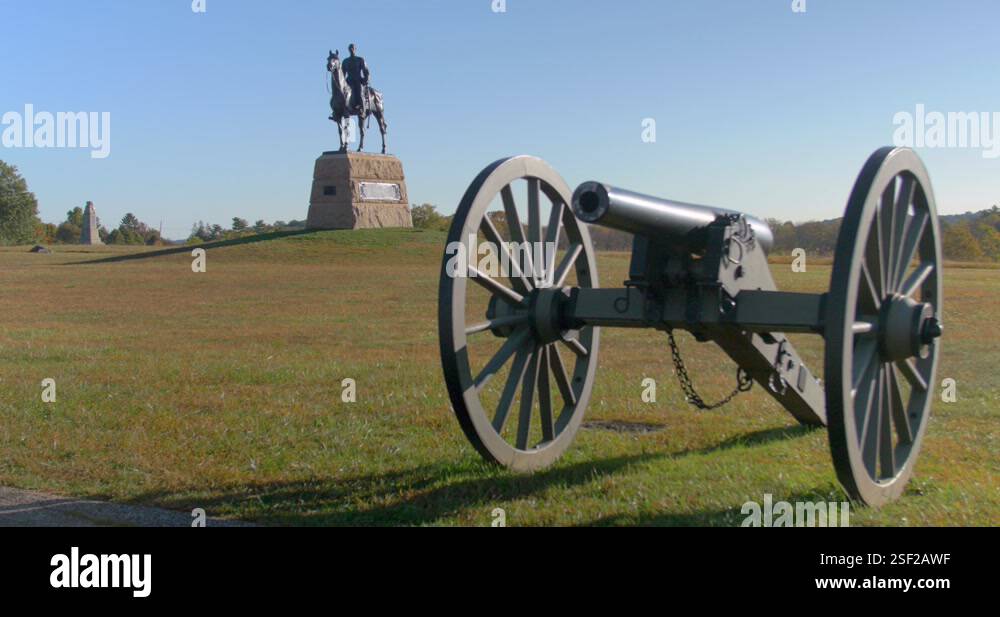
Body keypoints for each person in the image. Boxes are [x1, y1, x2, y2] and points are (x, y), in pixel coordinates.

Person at [342, 43, 371, 115]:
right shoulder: (345, 61)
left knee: (360, 94)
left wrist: (366, 79)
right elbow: (342, 74)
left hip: (358, 80)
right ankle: (338, 110)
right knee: (340, 94)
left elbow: (366, 71)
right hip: (348, 81)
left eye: (353, 48)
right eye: (350, 48)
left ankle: (363, 109)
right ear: (348, 50)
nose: (351, 50)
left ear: (355, 49)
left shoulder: (360, 59)